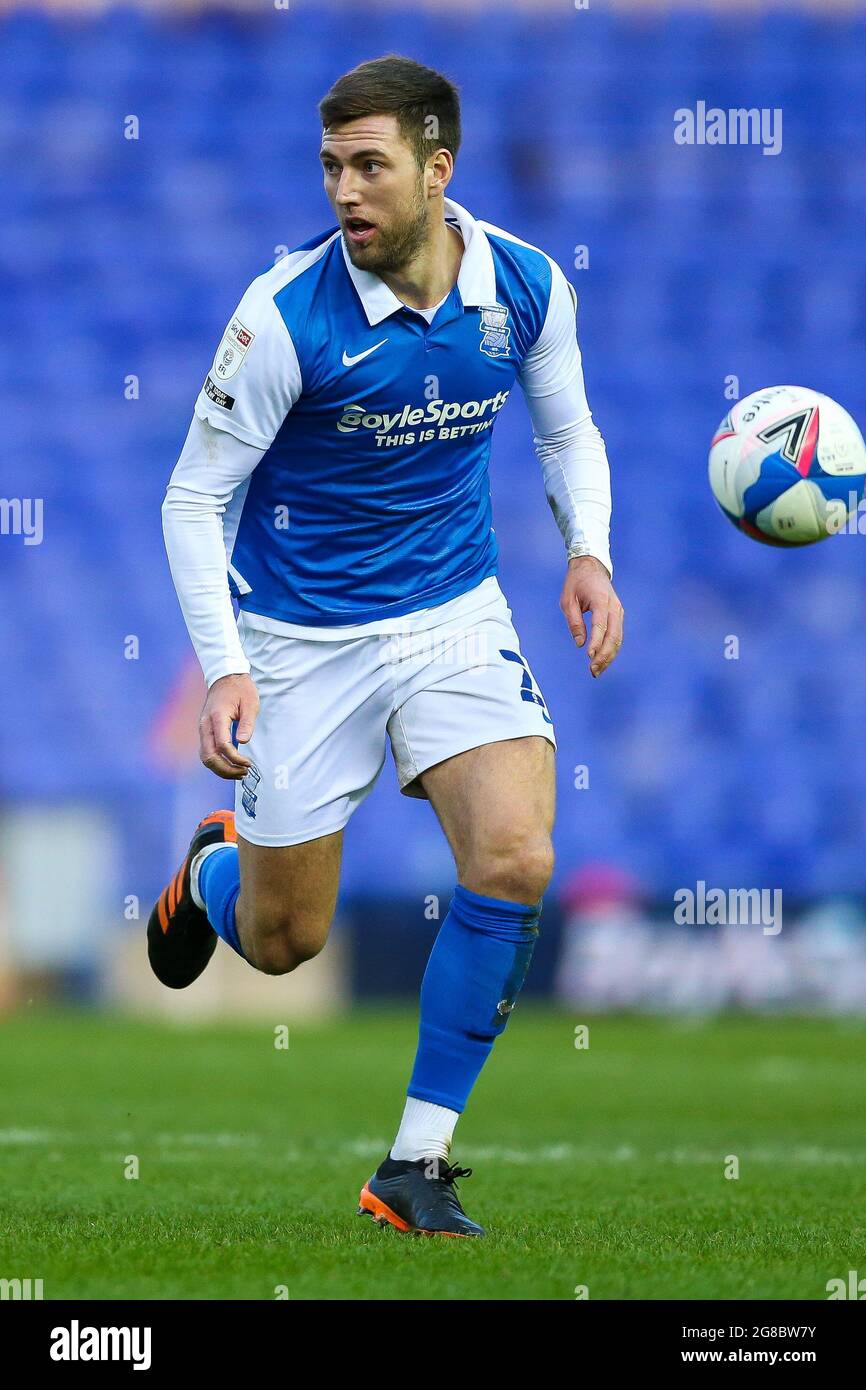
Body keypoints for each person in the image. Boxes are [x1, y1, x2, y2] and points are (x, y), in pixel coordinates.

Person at [149, 54, 623, 1237]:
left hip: (454, 615)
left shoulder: (521, 285)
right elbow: (192, 501)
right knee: (280, 940)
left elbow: (566, 428)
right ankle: (215, 873)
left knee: (513, 856)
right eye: (329, 168)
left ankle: (413, 1165)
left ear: (435, 168)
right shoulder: (279, 318)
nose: (344, 192)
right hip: (300, 641)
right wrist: (225, 667)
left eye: (369, 166)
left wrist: (588, 551)